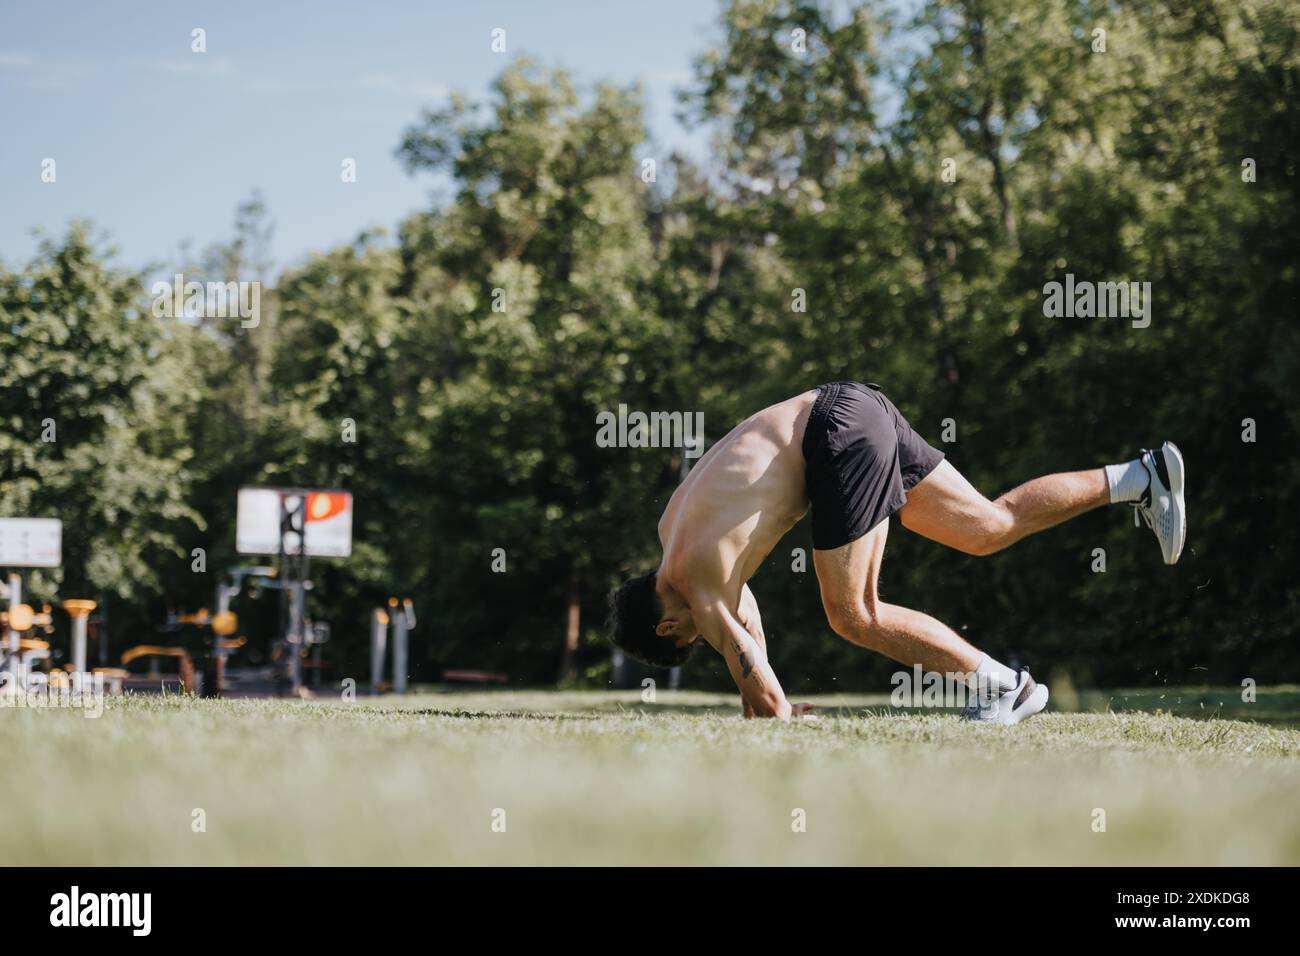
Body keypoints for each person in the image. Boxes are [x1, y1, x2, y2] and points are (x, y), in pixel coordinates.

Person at [607, 382, 1186, 724]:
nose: (701, 632)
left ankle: (1006, 689)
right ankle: (1139, 475)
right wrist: (764, 698)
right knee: (988, 525)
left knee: (854, 613)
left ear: (667, 626)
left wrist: (774, 718)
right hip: (852, 405)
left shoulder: (693, 580)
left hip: (833, 438)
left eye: (690, 638)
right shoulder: (674, 529)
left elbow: (739, 653)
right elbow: (746, 630)